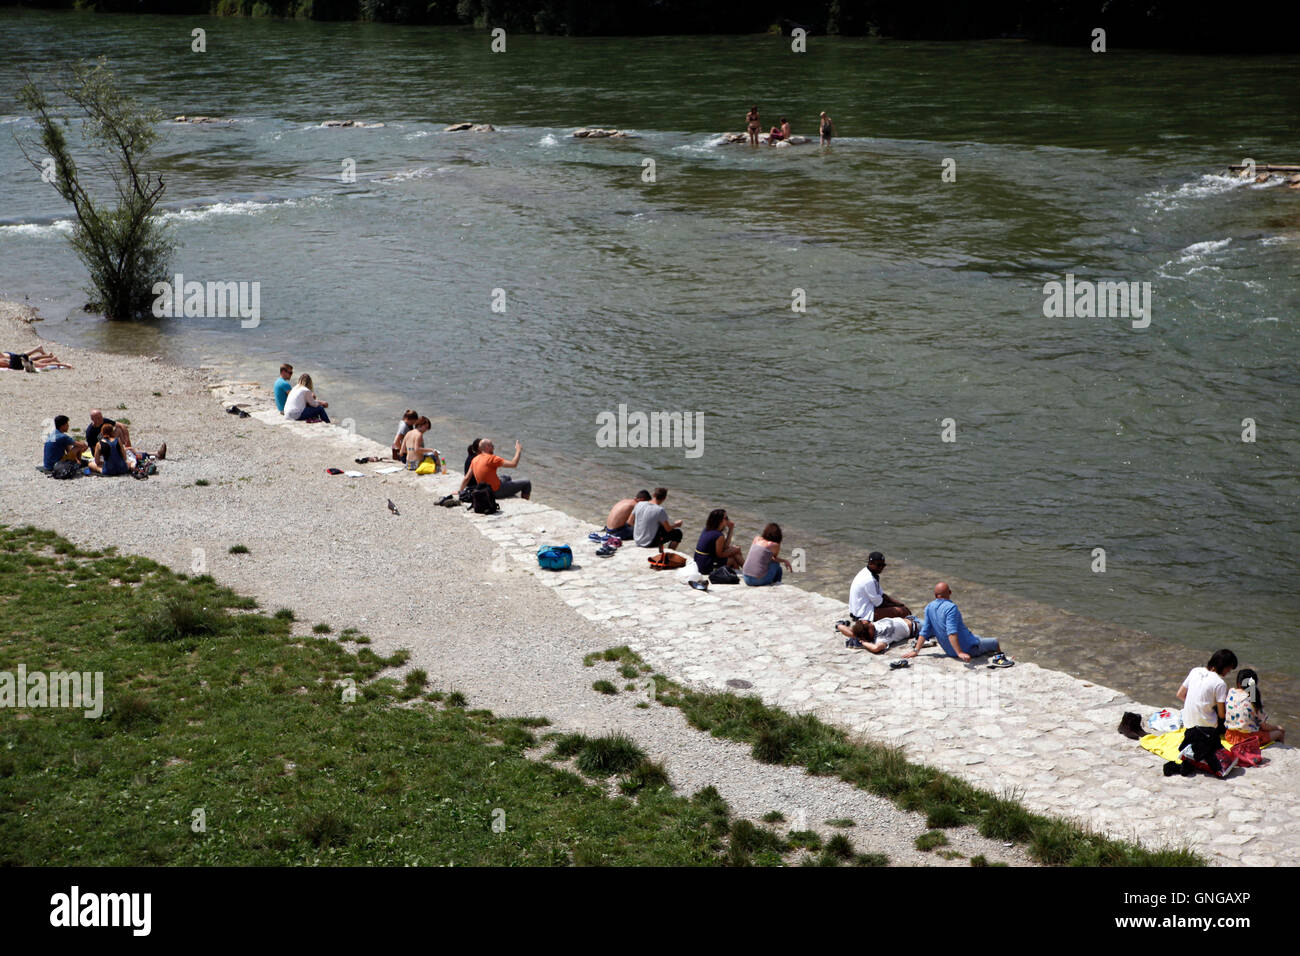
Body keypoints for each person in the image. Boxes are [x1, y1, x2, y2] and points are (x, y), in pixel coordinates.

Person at [902, 582, 1009, 663]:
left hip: (948, 650)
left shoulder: (929, 607)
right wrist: (960, 653)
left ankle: (986, 650)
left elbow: (924, 632)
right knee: (994, 642)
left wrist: (915, 651)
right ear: (950, 592)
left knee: (978, 637)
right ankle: (1001, 658)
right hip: (966, 649)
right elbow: (951, 632)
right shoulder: (951, 608)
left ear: (935, 595)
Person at [1177, 649, 1238, 730]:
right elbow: (1221, 715)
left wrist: (1197, 705)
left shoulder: (1195, 671)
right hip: (1207, 727)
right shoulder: (1220, 683)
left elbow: (1180, 694)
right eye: (1228, 669)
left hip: (1188, 723)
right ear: (1223, 666)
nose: (1228, 672)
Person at [1224, 668, 1285, 747]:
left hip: (1230, 736)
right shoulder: (1253, 699)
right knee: (1279, 733)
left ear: (1238, 683)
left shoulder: (1231, 692)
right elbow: (1265, 726)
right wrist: (1278, 727)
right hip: (1248, 740)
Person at [458, 438, 531, 499]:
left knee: (507, 477)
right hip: (495, 491)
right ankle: (526, 503)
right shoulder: (492, 458)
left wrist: (460, 492)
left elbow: (466, 478)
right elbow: (513, 464)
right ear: (487, 447)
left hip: (484, 490)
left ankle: (507, 487)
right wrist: (518, 450)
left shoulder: (474, 459)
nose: (494, 447)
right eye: (492, 446)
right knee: (527, 482)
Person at [849, 552, 910, 621]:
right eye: (878, 565)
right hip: (862, 614)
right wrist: (897, 608)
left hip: (861, 608)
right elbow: (879, 603)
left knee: (902, 608)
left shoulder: (868, 572)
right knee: (903, 612)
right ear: (870, 563)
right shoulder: (869, 580)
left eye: (883, 565)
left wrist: (899, 603)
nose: (881, 568)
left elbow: (882, 595)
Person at [694, 508, 744, 574]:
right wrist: (733, 551)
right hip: (705, 566)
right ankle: (746, 572)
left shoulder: (707, 529)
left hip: (699, 561)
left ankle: (745, 572)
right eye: (726, 518)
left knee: (735, 551)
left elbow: (725, 547)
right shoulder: (718, 535)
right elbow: (720, 555)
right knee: (733, 560)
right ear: (719, 521)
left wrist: (731, 529)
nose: (728, 520)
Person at [840, 615, 919, 653]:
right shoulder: (882, 637)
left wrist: (839, 625)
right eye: (866, 624)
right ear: (869, 632)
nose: (865, 621)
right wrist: (863, 642)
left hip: (909, 618)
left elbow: (849, 630)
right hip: (917, 627)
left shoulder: (873, 626)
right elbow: (876, 648)